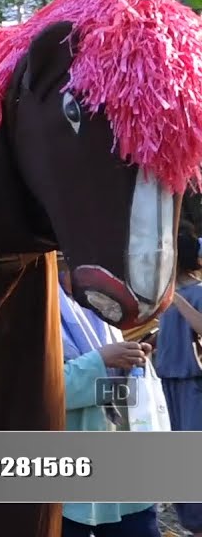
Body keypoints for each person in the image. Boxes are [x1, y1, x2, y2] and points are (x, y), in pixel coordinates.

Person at [58, 259, 160, 537]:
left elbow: (107, 388)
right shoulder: (42, 314)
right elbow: (46, 390)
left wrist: (132, 362)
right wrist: (102, 361)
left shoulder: (105, 312)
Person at [156, 229, 202, 537]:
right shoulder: (166, 298)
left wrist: (174, 299)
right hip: (178, 385)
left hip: (186, 386)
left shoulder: (189, 294)